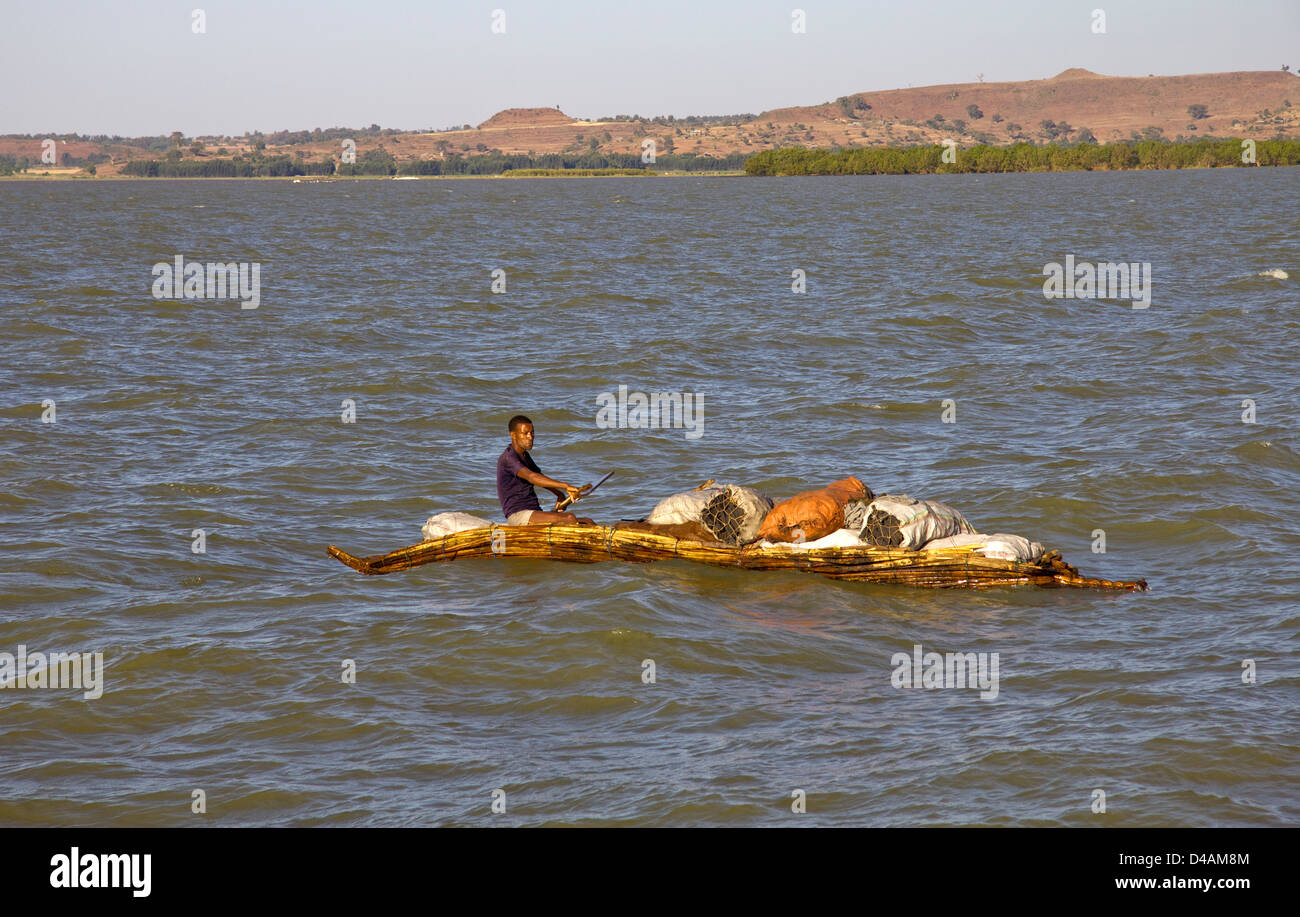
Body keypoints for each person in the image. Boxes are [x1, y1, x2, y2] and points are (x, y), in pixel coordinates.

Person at [497, 415, 596, 525]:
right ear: (513, 435)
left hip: (534, 512)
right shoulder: (508, 458)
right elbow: (532, 477)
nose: (530, 437)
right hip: (518, 516)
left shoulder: (525, 456)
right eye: (525, 433)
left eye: (532, 433)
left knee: (588, 521)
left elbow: (539, 476)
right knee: (569, 518)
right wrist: (565, 486)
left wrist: (559, 494)